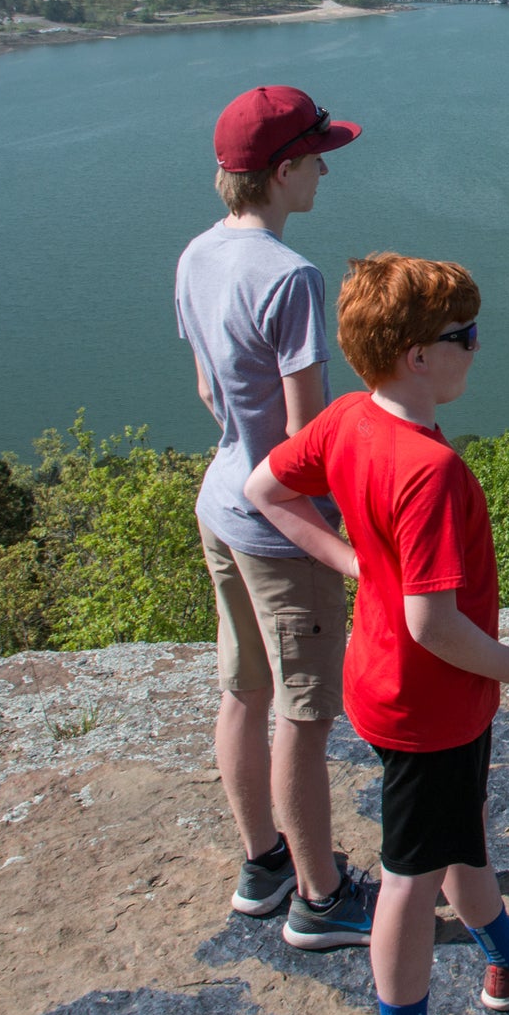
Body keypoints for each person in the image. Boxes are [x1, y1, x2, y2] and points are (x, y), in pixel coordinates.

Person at [245, 252, 509, 1015]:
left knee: (453, 831)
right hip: (428, 700)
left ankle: (507, 957)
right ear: (418, 356)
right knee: (408, 877)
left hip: (386, 681)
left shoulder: (351, 418)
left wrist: (354, 563)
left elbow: (263, 488)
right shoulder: (431, 473)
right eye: (464, 334)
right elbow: (435, 623)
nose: (477, 346)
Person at [175, 84, 378, 951]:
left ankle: (262, 863)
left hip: (219, 501)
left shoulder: (196, 254)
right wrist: (351, 534)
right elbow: (306, 437)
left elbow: (204, 389)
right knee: (305, 710)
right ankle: (320, 898)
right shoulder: (293, 278)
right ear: (283, 169)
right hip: (279, 528)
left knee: (241, 689)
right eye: (317, 156)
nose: (327, 169)